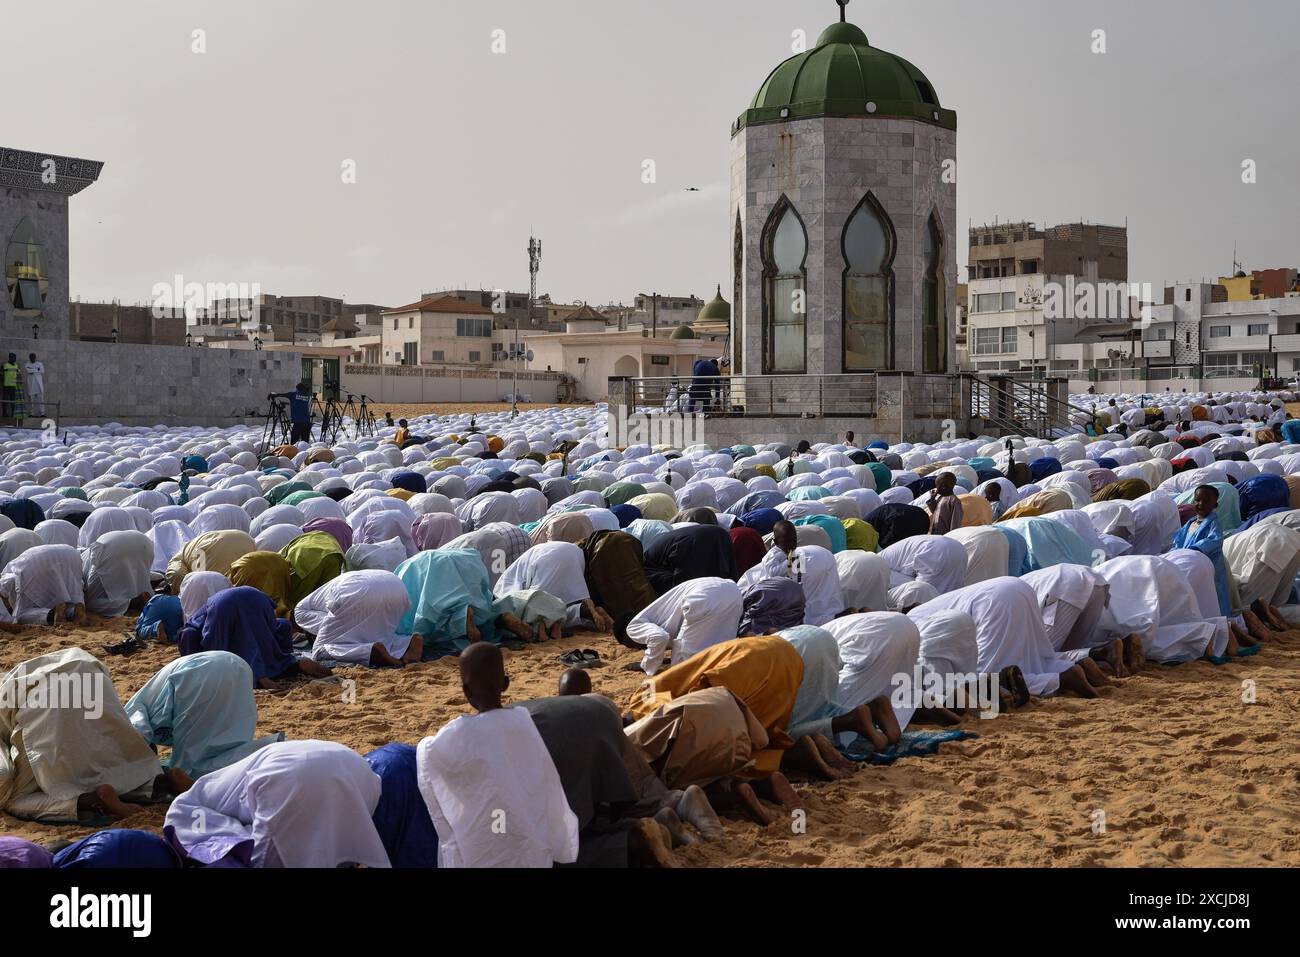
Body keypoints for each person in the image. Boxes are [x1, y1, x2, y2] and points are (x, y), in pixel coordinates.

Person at [416, 643, 580, 868]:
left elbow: (430, 757)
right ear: (505, 683)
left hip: (487, 842)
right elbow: (544, 782)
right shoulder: (522, 721)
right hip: (527, 840)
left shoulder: (459, 733)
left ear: (466, 691)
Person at [1, 648, 192, 823]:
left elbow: (4, 772)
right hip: (88, 675)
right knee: (116, 767)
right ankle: (161, 782)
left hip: (48, 712)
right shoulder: (12, 678)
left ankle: (88, 801)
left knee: (12, 798)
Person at [166, 739, 390, 868]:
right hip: (353, 765)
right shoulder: (205, 797)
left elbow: (260, 858)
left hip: (287, 779)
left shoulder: (186, 812)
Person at [124, 652, 285, 779]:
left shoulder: (127, 713)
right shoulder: (149, 704)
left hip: (195, 675)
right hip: (236, 665)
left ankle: (266, 754)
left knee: (188, 768)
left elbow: (136, 735)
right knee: (228, 742)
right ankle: (268, 753)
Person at [616, 577, 744, 675]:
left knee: (681, 670)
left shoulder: (633, 627)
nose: (639, 648)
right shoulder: (656, 614)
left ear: (627, 635)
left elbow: (659, 638)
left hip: (702, 598)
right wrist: (661, 659)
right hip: (732, 591)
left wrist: (647, 667)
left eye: (632, 645)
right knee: (719, 651)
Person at [0, 353, 18, 424]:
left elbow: (18, 375)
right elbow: (1, 375)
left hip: (13, 386)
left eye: (14, 358)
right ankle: (4, 413)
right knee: (5, 400)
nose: (14, 359)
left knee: (13, 401)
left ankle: (13, 414)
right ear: (9, 358)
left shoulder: (16, 365)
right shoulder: (5, 365)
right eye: (12, 358)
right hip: (6, 385)